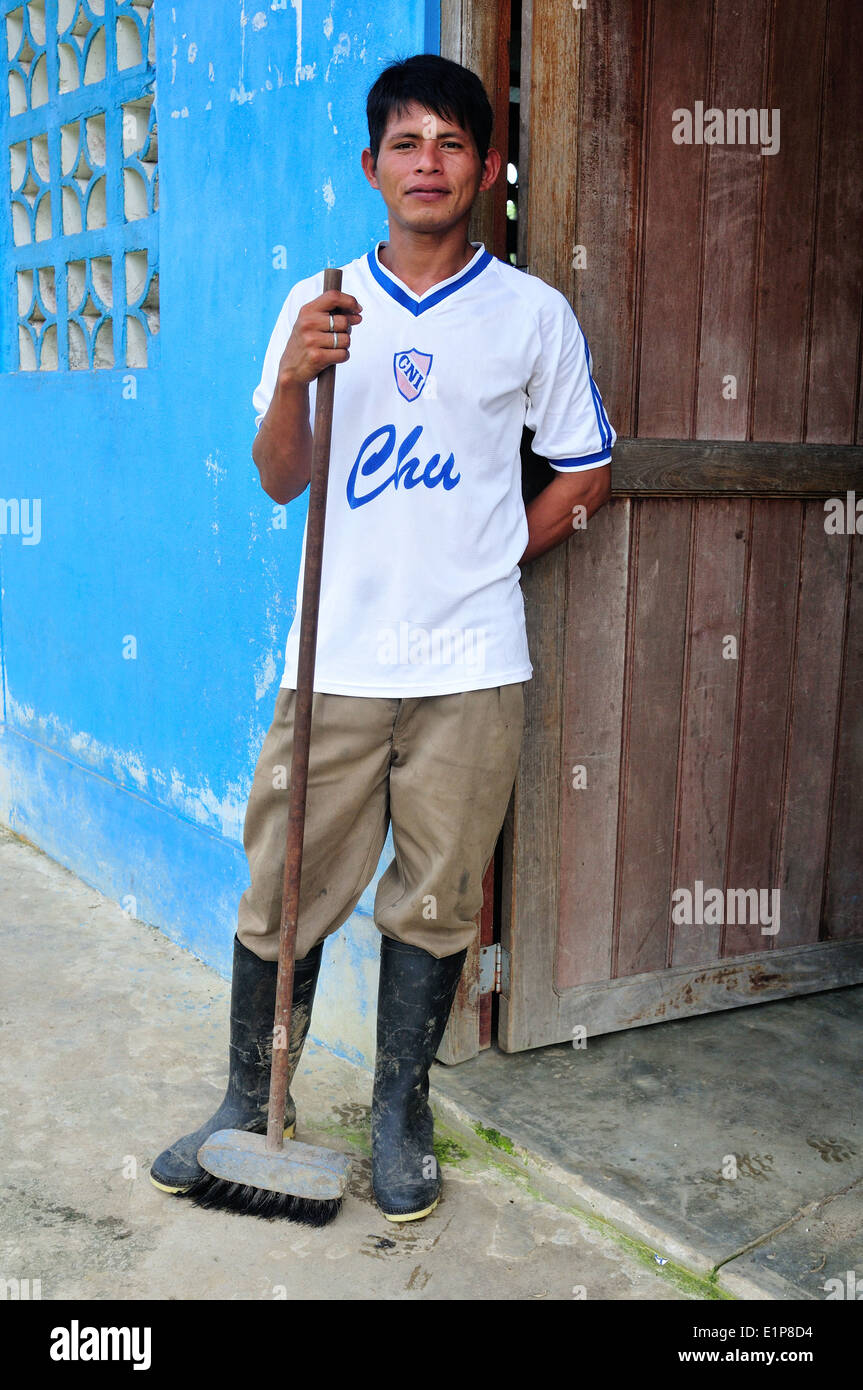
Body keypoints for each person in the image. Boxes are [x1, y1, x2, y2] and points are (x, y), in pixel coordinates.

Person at [151, 52, 615, 1223]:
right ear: (371, 167)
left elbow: (583, 468)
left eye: (452, 144)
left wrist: (493, 557)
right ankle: (246, 1103)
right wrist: (298, 379)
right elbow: (277, 480)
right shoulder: (320, 303)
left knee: (436, 898)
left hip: (471, 667)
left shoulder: (530, 313)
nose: (428, 163)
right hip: (335, 663)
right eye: (406, 144)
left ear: (487, 167)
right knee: (284, 886)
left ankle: (400, 1113)